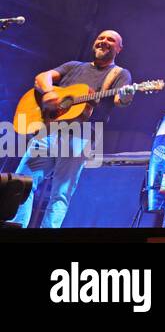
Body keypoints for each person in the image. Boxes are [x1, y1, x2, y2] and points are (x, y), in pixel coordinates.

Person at [12, 30, 135, 228]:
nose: (104, 41)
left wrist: (127, 95)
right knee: (20, 183)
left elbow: (120, 101)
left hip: (79, 137)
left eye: (111, 40)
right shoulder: (74, 66)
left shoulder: (120, 74)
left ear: (119, 48)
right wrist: (50, 93)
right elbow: (41, 78)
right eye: (101, 38)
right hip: (48, 131)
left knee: (60, 194)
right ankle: (14, 228)